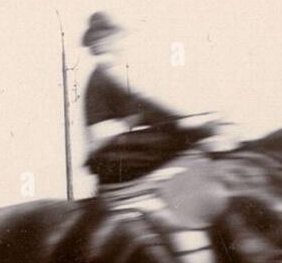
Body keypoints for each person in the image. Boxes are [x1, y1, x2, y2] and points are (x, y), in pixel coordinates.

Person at [80, 12, 219, 189]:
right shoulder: (107, 71)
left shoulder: (106, 72)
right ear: (100, 42)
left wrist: (185, 119)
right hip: (110, 150)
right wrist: (184, 121)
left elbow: (146, 109)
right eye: (111, 37)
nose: (117, 43)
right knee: (187, 133)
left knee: (183, 131)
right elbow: (146, 105)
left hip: (112, 149)